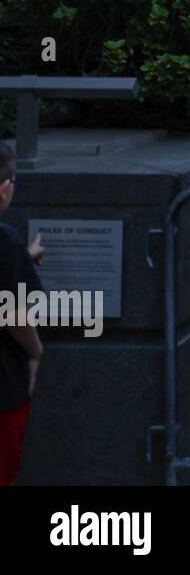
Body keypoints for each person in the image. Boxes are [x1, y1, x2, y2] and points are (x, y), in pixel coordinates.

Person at [0, 141, 45, 486]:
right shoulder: (7, 242)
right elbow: (13, 316)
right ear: (3, 189)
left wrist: (23, 258)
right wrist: (35, 352)